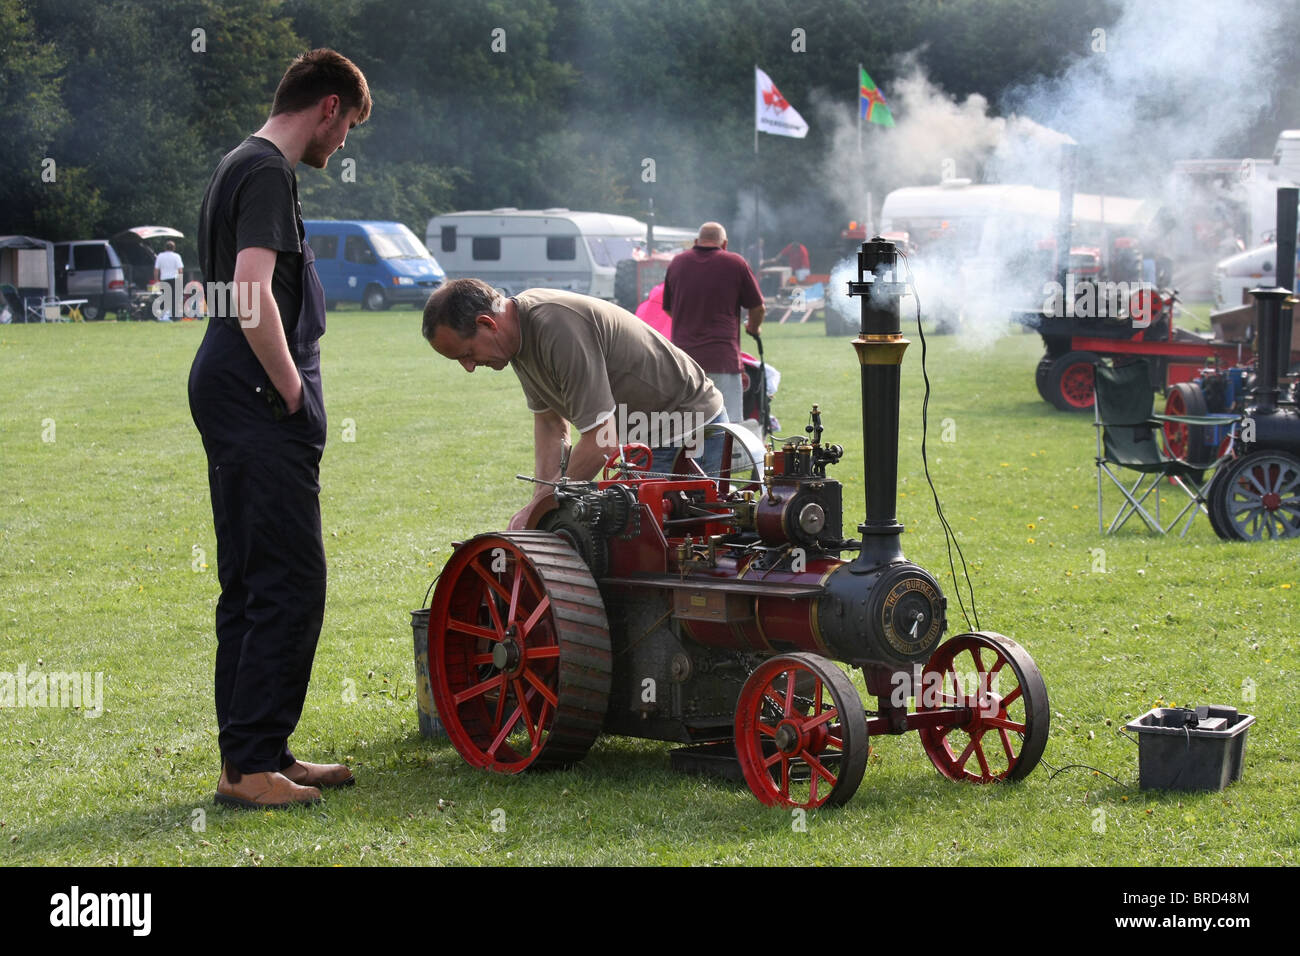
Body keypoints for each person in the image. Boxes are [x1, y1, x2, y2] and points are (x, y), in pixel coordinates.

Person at [188, 49, 371, 810]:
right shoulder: (267, 171)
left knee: (254, 575)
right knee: (291, 579)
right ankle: (254, 763)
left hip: (231, 388)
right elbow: (251, 293)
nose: (345, 144)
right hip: (260, 398)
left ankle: (257, 756)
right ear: (328, 106)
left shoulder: (238, 162)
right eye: (350, 125)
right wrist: (294, 393)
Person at [422, 279, 726, 530]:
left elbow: (600, 442)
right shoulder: (515, 341)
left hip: (687, 428)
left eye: (466, 353)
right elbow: (550, 424)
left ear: (487, 324)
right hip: (641, 436)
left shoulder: (555, 326)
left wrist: (540, 509)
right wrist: (539, 507)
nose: (469, 367)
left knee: (662, 551)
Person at [662, 222, 765, 423]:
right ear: (724, 244)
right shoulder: (735, 263)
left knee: (689, 427)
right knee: (729, 426)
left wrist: (692, 320)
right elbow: (758, 307)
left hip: (684, 362)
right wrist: (753, 327)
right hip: (722, 359)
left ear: (695, 242)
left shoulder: (677, 263)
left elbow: (667, 307)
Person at [152, 240, 184, 322]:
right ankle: (174, 316)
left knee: (165, 298)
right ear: (174, 248)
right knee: (174, 298)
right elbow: (180, 270)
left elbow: (156, 270)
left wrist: (156, 281)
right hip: (174, 279)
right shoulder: (176, 256)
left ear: (165, 247)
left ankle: (162, 315)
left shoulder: (160, 256)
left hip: (164, 279)